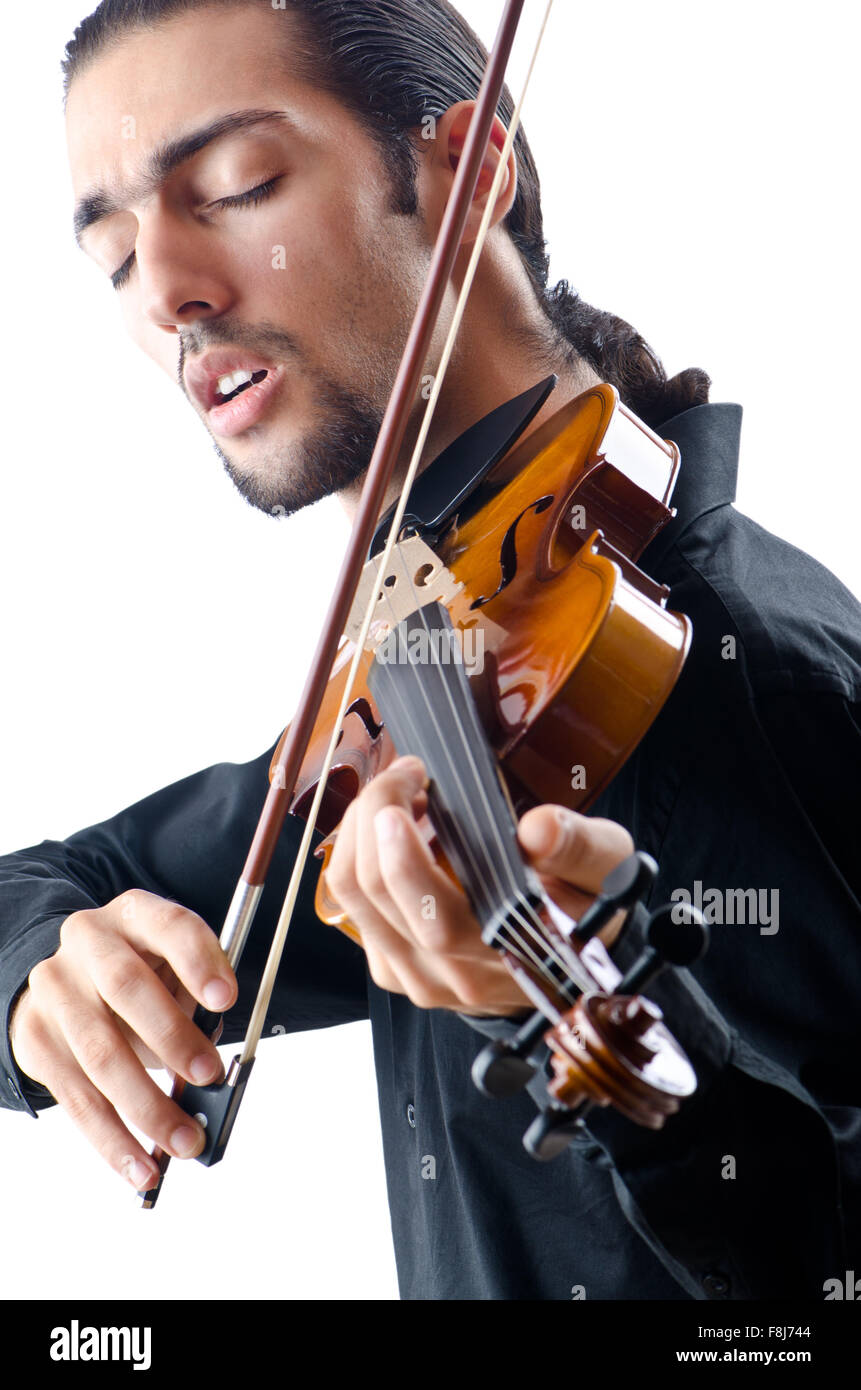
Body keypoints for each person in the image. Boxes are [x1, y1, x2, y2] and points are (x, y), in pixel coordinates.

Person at [1, 0, 859, 1301]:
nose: (166, 291)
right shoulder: (448, 672)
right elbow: (65, 878)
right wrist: (43, 974)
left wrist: (605, 1041)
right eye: (115, 254)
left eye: (234, 184)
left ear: (465, 171)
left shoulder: (764, 696)